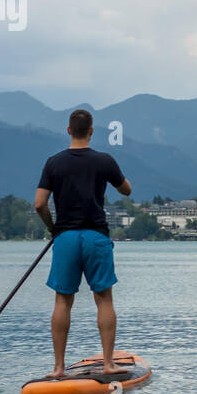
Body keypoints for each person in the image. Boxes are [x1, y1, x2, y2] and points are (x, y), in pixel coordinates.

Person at [34, 109, 132, 378]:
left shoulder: (53, 163)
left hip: (65, 238)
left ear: (68, 131)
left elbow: (39, 204)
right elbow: (127, 190)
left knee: (63, 302)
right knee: (104, 300)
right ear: (91, 131)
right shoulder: (105, 161)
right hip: (95, 238)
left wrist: (53, 228)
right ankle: (110, 363)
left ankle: (57, 368)